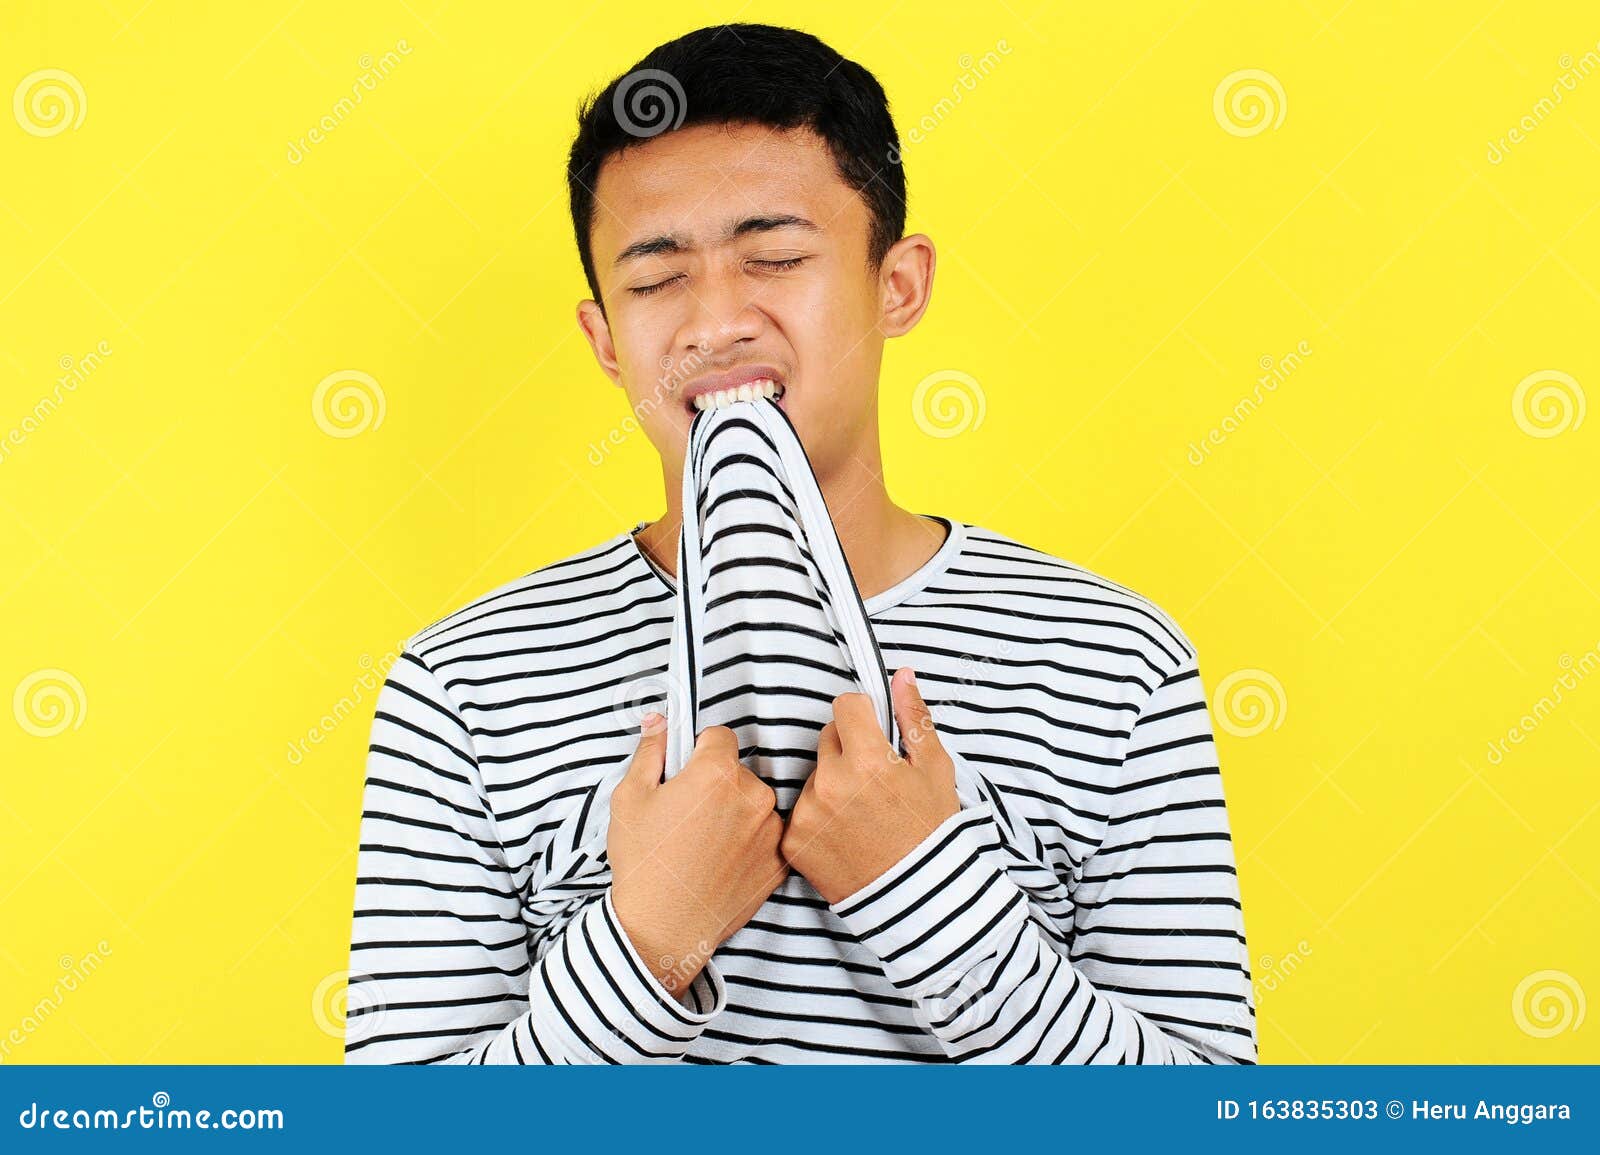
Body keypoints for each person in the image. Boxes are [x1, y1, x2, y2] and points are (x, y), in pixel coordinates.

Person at [343, 22, 1256, 1065]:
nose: (714, 322)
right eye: (654, 281)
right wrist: (644, 942)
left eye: (774, 257)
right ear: (604, 340)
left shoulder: (1113, 660)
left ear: (897, 286)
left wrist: (920, 887)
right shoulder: (464, 685)